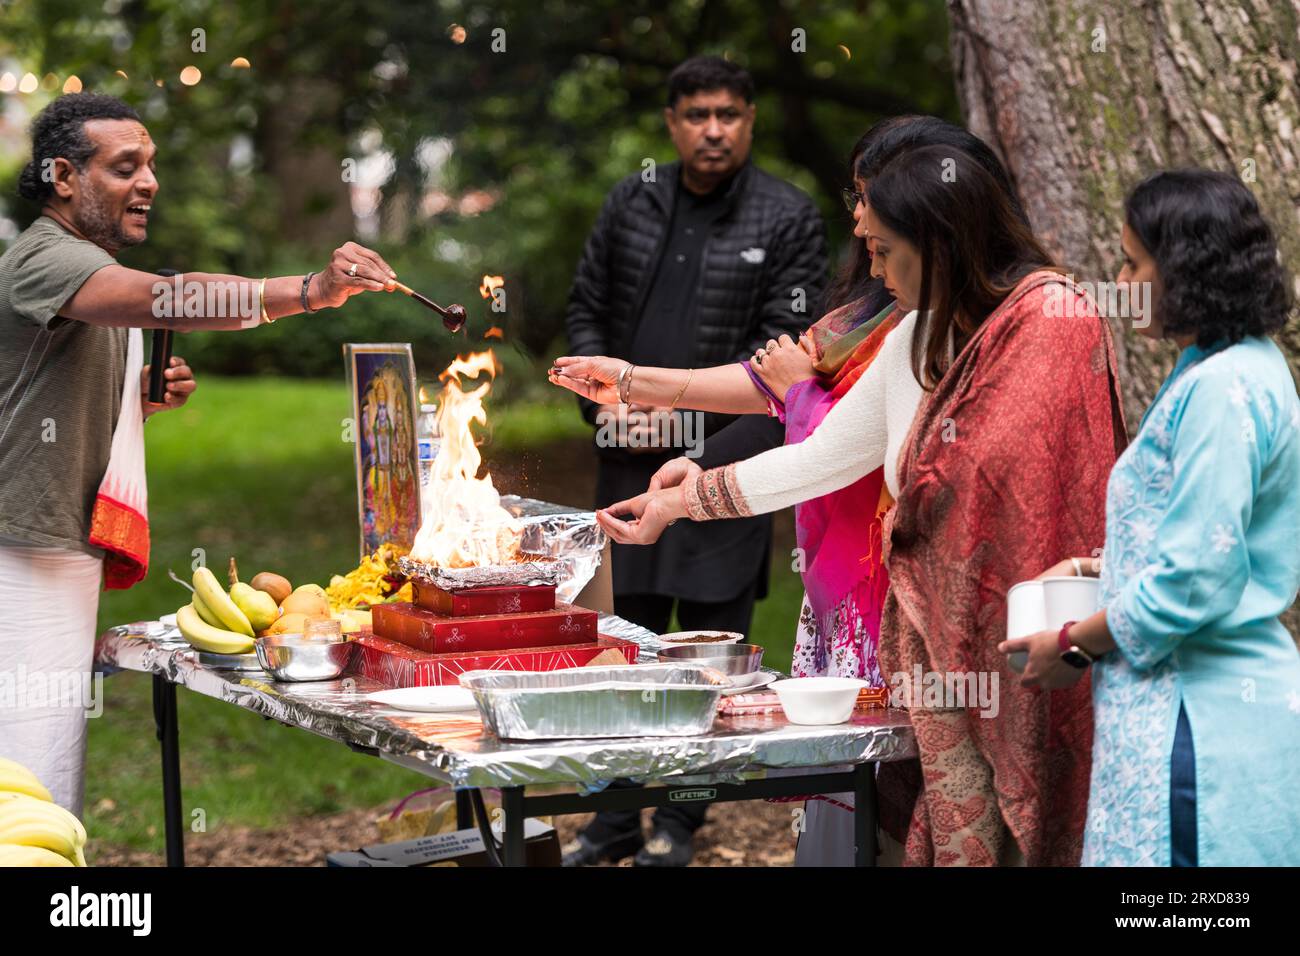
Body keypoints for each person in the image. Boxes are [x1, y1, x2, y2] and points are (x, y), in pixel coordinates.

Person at [597, 146, 1129, 865]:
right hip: (932, 639)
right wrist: (679, 504)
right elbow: (821, 459)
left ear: (938, 240)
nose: (873, 272)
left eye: (883, 251)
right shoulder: (915, 329)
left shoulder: (1052, 316)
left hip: (1034, 631)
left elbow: (1006, 479)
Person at [0, 93, 400, 816]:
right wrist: (308, 291)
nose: (150, 181)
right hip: (20, 546)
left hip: (55, 539)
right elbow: (173, 300)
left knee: (51, 756)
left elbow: (44, 394)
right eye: (126, 167)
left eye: (151, 165)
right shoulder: (45, 257)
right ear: (63, 176)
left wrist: (136, 400)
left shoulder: (84, 265)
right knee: (25, 769)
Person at [560, 55, 827, 867]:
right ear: (672, 122)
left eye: (731, 115)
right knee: (622, 655)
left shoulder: (787, 217)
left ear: (749, 121)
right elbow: (587, 311)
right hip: (625, 465)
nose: (714, 129)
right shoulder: (630, 202)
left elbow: (789, 358)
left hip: (727, 470)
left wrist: (702, 444)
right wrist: (600, 403)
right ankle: (609, 822)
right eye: (698, 114)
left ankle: (682, 822)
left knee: (709, 662)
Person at [1001, 170, 1300, 866]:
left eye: (1134, 260)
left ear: (1185, 272)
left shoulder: (1223, 390)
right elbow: (1210, 537)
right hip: (1187, 715)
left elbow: (1194, 580)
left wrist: (1073, 643)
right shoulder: (1226, 366)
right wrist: (1091, 569)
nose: (1121, 275)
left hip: (1202, 725)